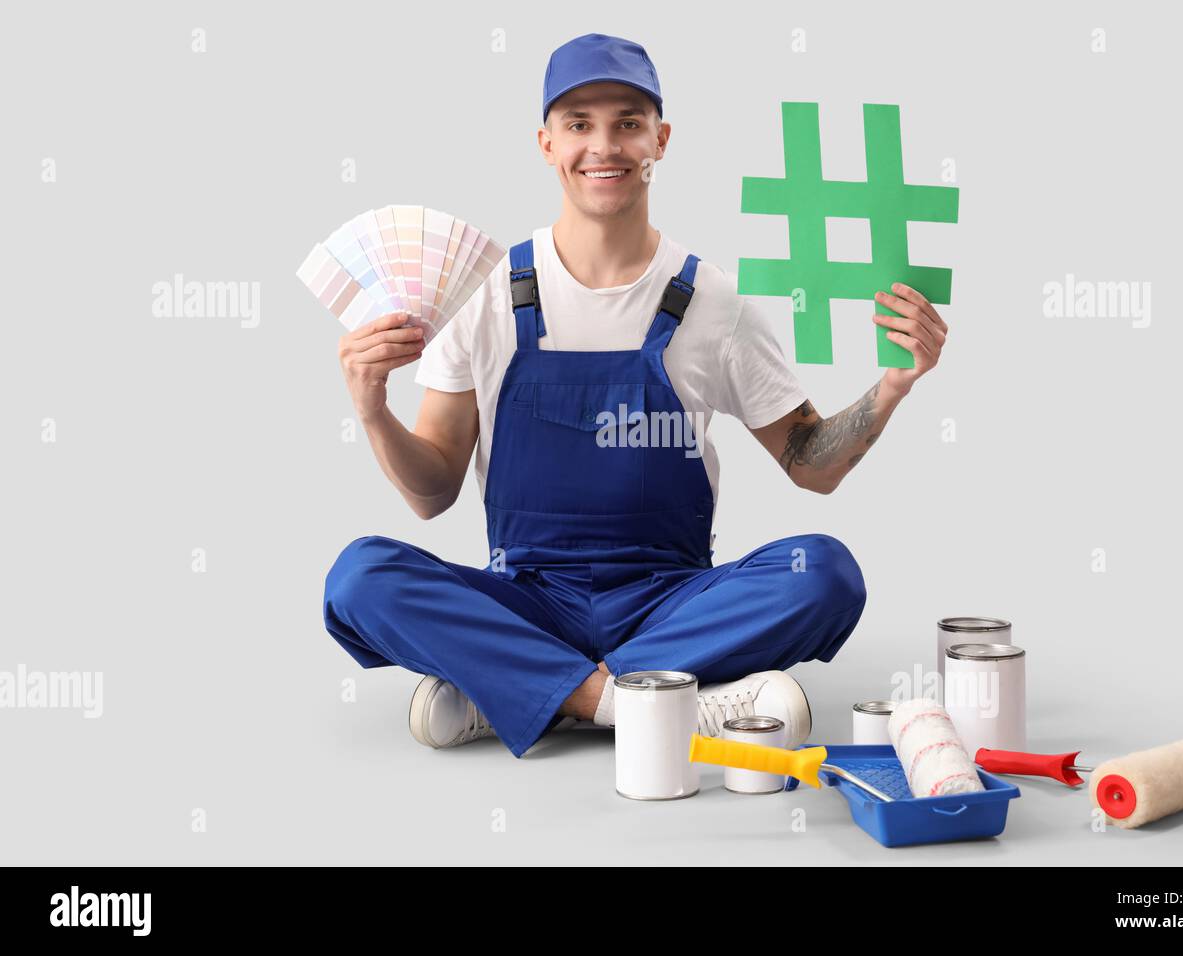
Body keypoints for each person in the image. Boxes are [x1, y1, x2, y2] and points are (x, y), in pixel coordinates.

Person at [322, 33, 949, 758]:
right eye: (579, 124)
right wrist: (372, 411)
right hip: (529, 599)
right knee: (359, 578)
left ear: (661, 139)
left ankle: (518, 693)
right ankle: (635, 702)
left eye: (627, 121)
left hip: (670, 601)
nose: (604, 145)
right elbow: (432, 493)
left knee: (827, 573)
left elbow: (812, 464)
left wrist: (895, 385)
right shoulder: (486, 293)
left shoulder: (713, 303)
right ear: (546, 143)